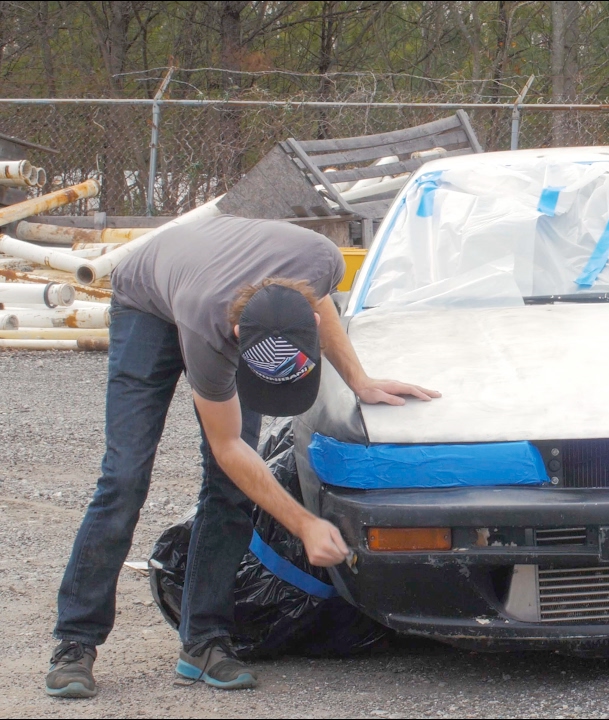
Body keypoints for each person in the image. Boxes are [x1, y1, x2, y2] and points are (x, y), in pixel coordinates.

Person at [45, 215, 440, 698]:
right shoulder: (210, 328)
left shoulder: (322, 260)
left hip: (215, 271)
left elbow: (316, 303)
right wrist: (304, 524)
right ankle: (75, 641)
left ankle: (205, 640)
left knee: (229, 492)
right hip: (148, 298)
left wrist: (360, 379)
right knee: (124, 478)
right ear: (238, 336)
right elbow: (227, 446)